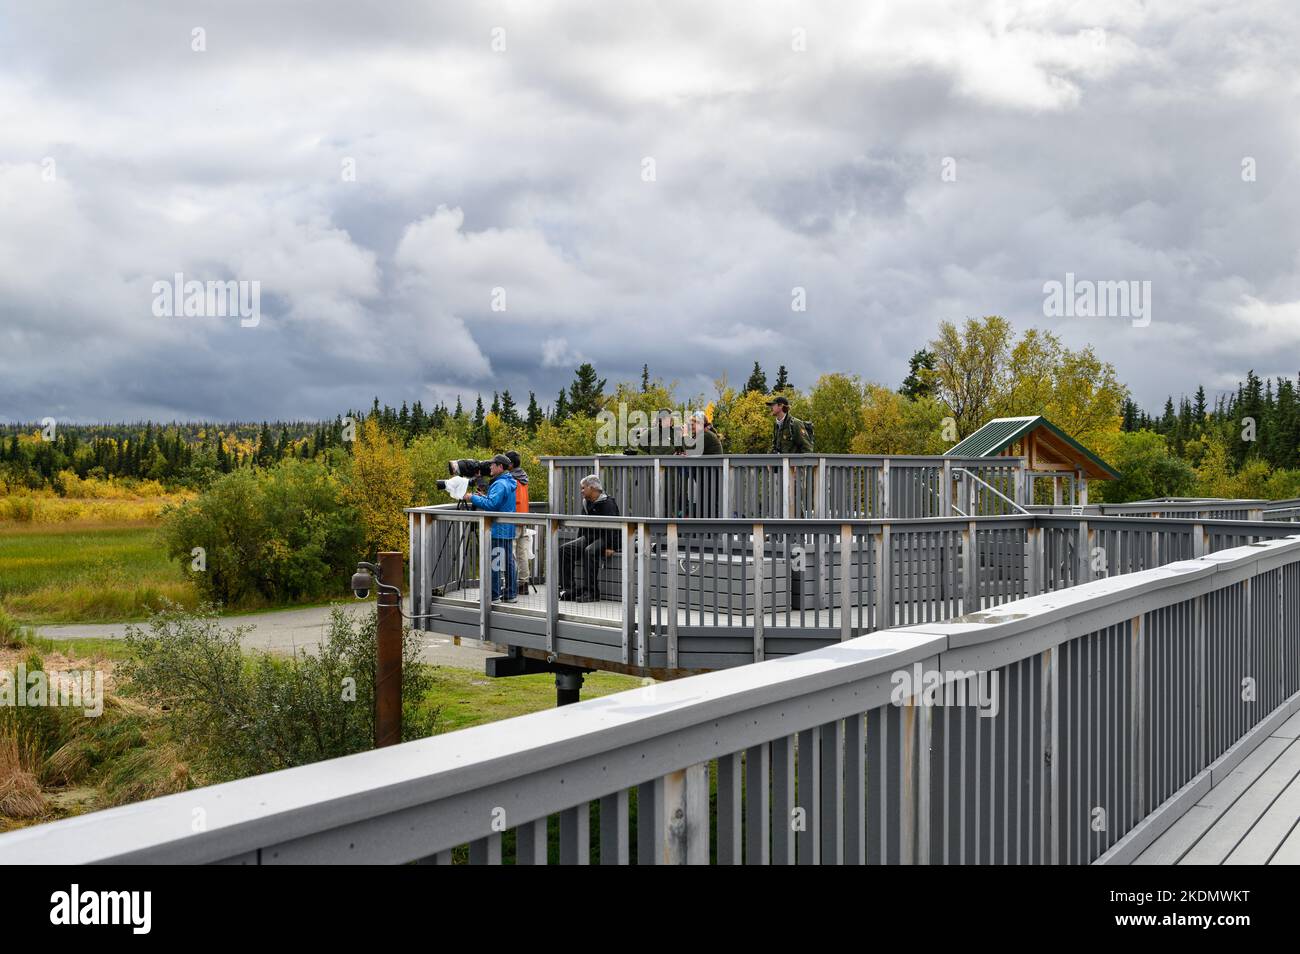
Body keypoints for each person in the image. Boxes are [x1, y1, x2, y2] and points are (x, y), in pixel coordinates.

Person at [462, 454, 519, 603]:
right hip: (507, 529)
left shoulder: (500, 484)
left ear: (500, 467)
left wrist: (472, 497)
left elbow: (493, 505)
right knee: (508, 562)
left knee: (495, 562)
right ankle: (510, 594)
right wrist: (484, 497)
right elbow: (497, 502)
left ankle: (493, 595)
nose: (490, 467)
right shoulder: (508, 481)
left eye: (493, 465)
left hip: (497, 529)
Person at [558, 474, 620, 603]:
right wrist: (579, 540)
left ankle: (591, 592)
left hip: (606, 539)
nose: (581, 491)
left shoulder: (608, 504)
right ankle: (569, 589)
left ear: (592, 488)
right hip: (589, 537)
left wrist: (611, 547)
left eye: (583, 488)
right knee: (565, 549)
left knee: (589, 551)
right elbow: (583, 524)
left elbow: (614, 528)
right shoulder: (586, 503)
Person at [505, 450, 531, 594]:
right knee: (522, 554)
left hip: (512, 519)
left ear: (510, 464)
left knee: (511, 554)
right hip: (523, 519)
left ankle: (511, 584)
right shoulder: (523, 477)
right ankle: (523, 583)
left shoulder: (511, 479)